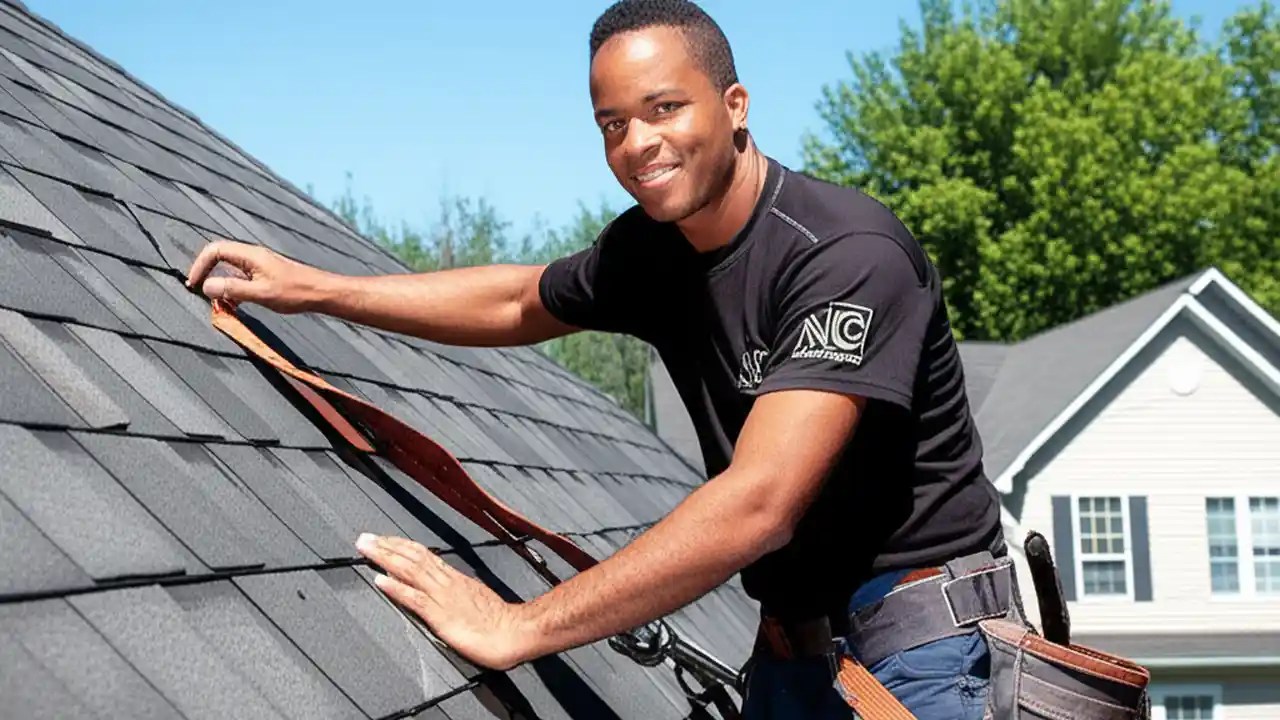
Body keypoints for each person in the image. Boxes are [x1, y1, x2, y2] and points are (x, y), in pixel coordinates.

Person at [185, 1, 1010, 717]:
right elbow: (516, 300)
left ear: (735, 104)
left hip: (923, 662)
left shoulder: (844, 255)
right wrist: (318, 288)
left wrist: (520, 625)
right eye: (612, 124)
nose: (638, 144)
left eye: (664, 109)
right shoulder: (655, 252)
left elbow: (760, 505)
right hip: (795, 655)